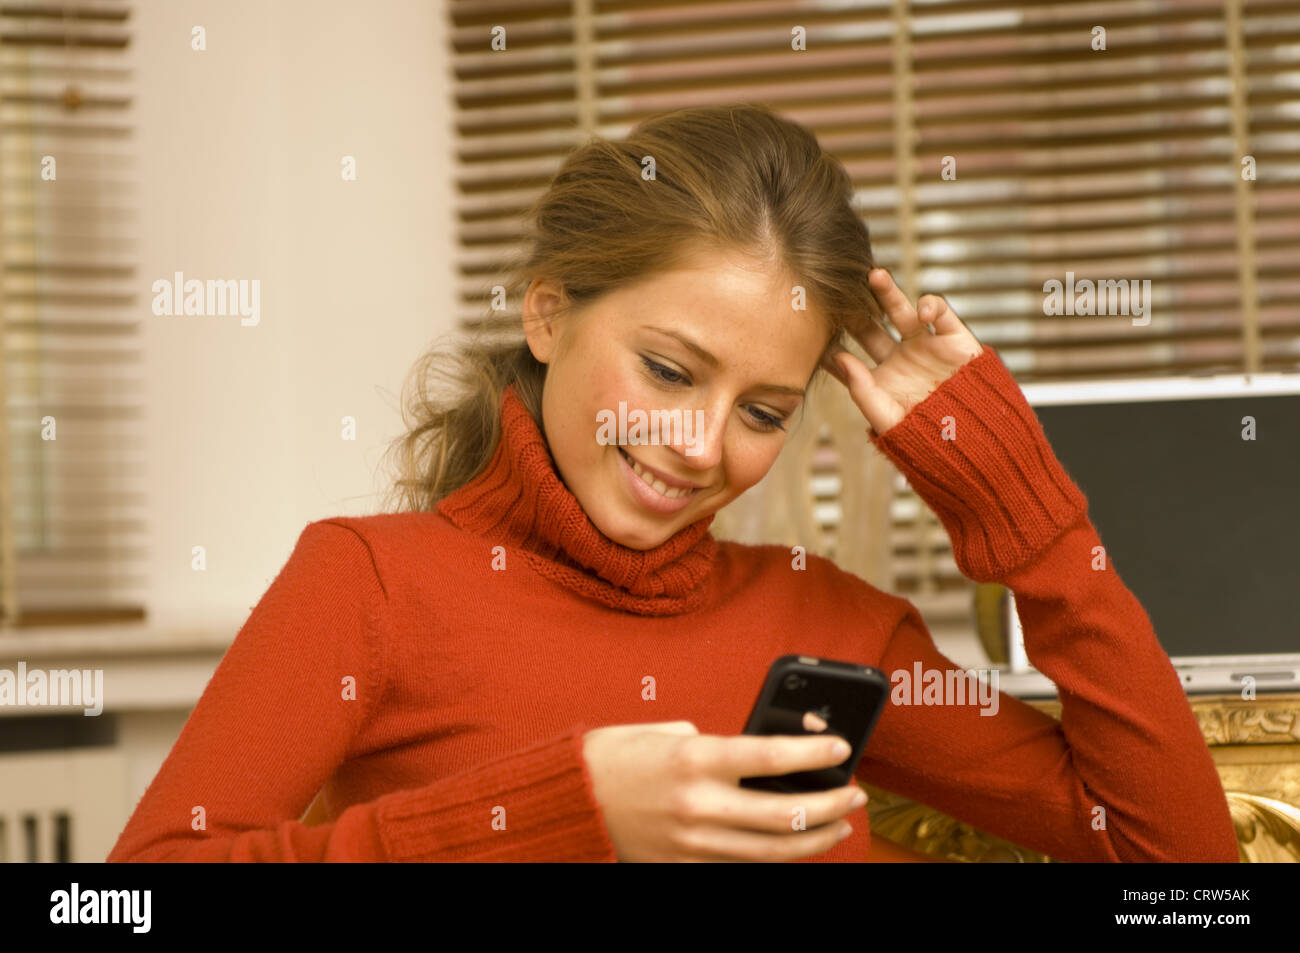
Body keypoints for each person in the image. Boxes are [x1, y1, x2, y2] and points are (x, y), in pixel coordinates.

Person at [107, 103, 1238, 863]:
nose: (698, 445)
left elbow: (1180, 867)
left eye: (762, 413)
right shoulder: (368, 583)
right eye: (665, 368)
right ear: (546, 309)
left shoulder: (829, 623)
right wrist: (569, 808)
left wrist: (1026, 515)